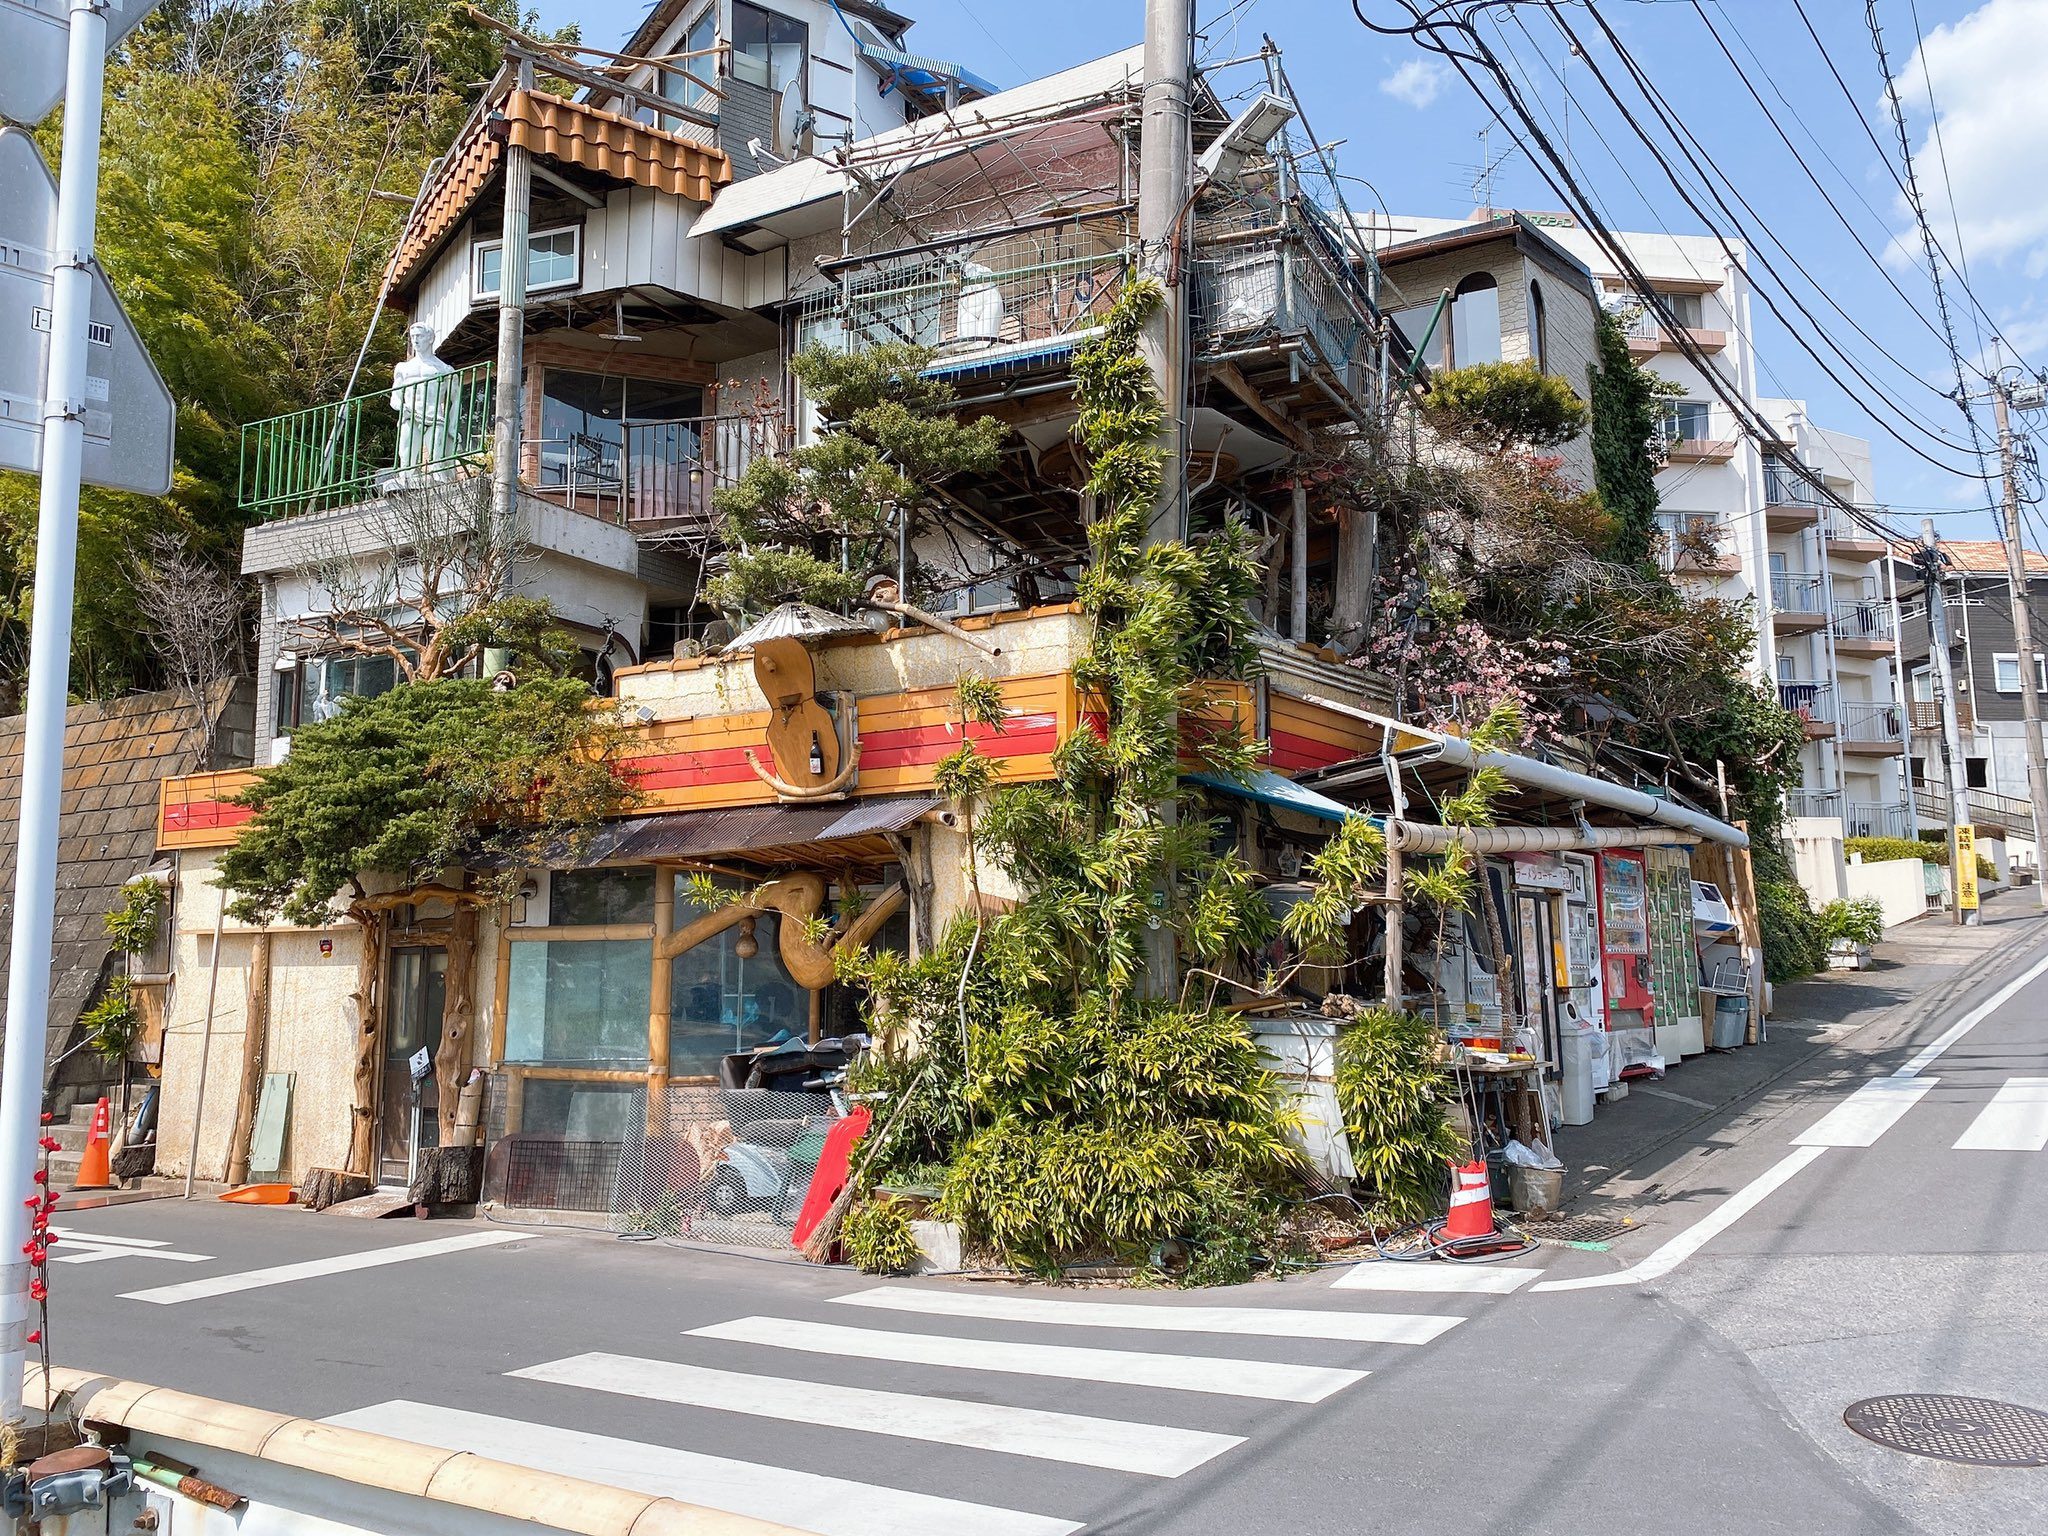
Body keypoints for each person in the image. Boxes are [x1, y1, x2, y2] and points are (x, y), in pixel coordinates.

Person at [389, 322, 457, 484]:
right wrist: (401, 407)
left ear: (430, 338)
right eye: (413, 337)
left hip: (435, 418)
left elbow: (455, 401)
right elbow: (395, 397)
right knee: (406, 464)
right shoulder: (403, 368)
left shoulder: (444, 369)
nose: (415, 340)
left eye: (419, 336)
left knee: (436, 465)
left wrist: (453, 428)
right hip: (410, 416)